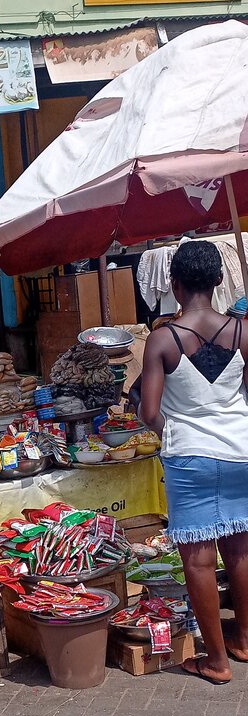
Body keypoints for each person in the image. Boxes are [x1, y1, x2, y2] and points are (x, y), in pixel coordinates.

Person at [141, 240, 248, 684]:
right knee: (241, 550)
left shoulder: (162, 339)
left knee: (199, 562)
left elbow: (148, 412)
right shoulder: (243, 331)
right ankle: (244, 640)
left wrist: (175, 429)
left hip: (189, 458)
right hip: (242, 450)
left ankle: (216, 661)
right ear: (220, 281)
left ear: (175, 285)